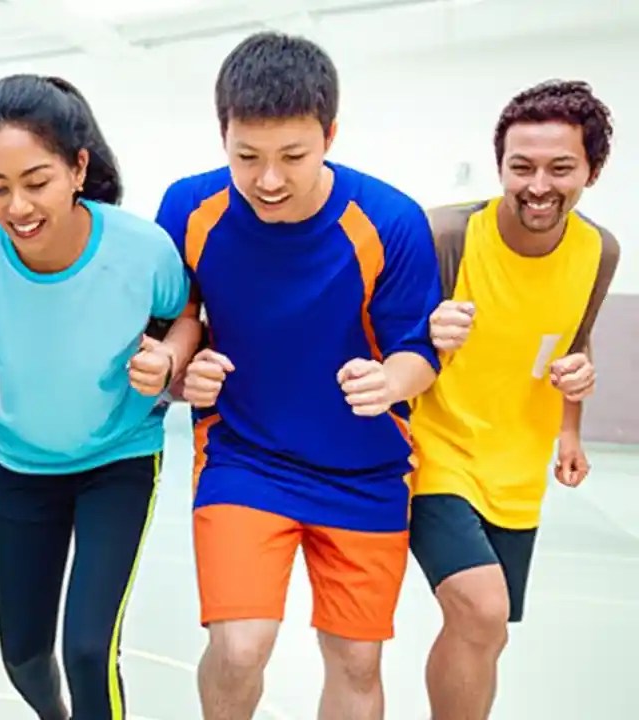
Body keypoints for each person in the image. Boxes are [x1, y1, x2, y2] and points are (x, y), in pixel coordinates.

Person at [157, 32, 443, 720]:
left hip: (366, 470)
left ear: (330, 135)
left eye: (293, 156)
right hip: (244, 455)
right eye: (246, 157)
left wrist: (391, 382)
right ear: (221, 133)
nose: (269, 180)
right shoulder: (189, 210)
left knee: (356, 658)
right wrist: (180, 374)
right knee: (240, 648)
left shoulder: (391, 220)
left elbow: (419, 352)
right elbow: (173, 328)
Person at [0, 73, 203, 720]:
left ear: (78, 168)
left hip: (119, 458)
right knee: (22, 657)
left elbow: (185, 314)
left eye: (35, 182)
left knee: (88, 648)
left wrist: (169, 357)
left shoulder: (140, 250)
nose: (17, 206)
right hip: (21, 466)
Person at [409, 79, 619, 720]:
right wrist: (426, 335)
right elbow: (384, 339)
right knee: (482, 607)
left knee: (488, 633)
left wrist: (571, 429)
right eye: (520, 166)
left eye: (562, 168)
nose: (538, 185)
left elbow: (572, 346)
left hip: (519, 469)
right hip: (435, 454)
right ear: (500, 164)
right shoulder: (447, 234)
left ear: (593, 169)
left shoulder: (598, 250)